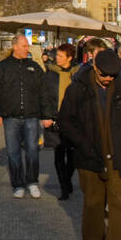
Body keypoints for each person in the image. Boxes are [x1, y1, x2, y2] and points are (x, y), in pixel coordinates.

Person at [58, 49, 121, 240]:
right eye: (104, 74)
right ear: (95, 68)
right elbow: (65, 120)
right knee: (93, 201)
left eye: (113, 75)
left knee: (118, 203)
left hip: (119, 154)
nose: (108, 79)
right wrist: (82, 143)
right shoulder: (78, 88)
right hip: (89, 154)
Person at [0, 34, 56, 199]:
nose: (28, 49)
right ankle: (18, 184)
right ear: (15, 47)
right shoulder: (3, 67)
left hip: (31, 116)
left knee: (32, 151)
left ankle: (32, 182)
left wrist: (47, 115)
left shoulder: (34, 67)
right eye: (25, 46)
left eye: (28, 46)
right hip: (10, 117)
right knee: (13, 152)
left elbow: (44, 92)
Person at [46, 43, 78, 200]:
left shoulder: (77, 73)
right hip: (55, 118)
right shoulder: (50, 73)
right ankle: (64, 187)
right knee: (58, 155)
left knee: (72, 157)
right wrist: (46, 116)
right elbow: (44, 96)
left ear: (69, 58)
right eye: (56, 55)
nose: (56, 58)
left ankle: (67, 179)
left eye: (60, 56)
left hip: (73, 120)